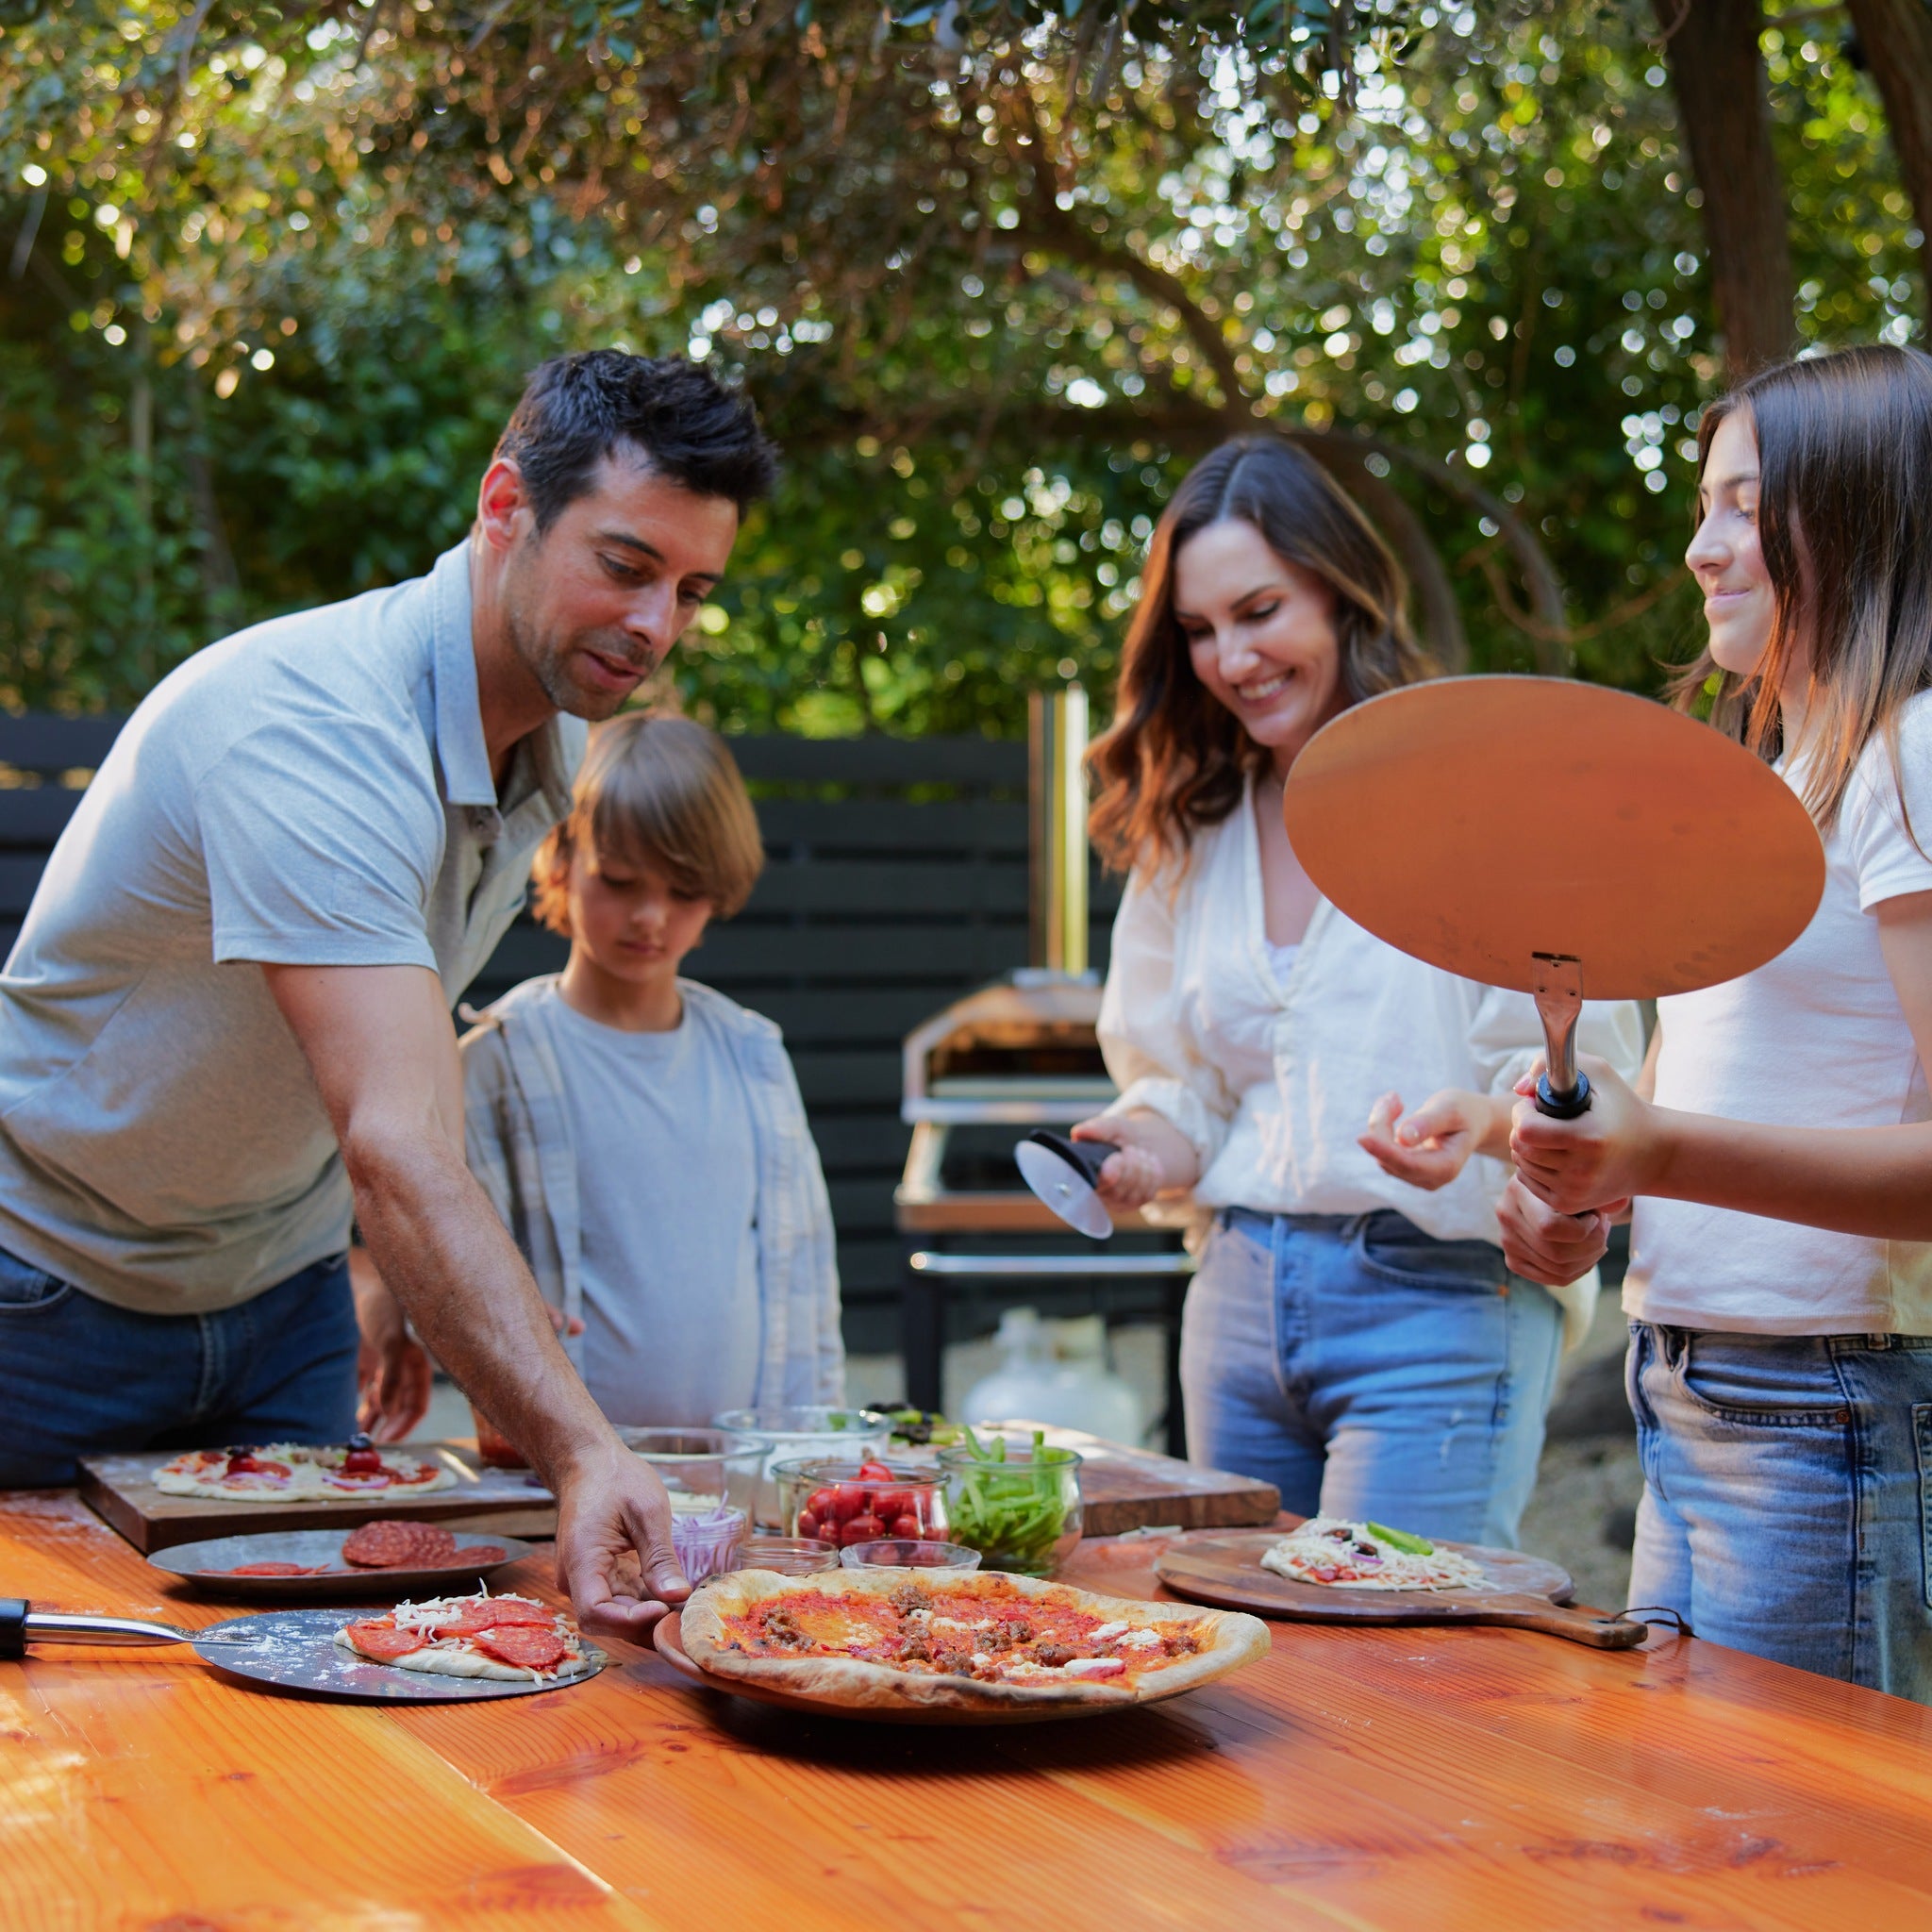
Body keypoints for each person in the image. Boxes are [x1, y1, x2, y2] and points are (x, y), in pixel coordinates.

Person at [0, 349, 776, 1639]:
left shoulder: (553, 730)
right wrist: (584, 1449)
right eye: (628, 568)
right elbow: (400, 1143)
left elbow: (389, 1040)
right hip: (49, 1289)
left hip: (282, 1301)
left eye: (693, 592)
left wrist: (398, 1274)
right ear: (503, 507)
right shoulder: (312, 730)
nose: (656, 629)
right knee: (56, 1740)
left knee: (320, 1707)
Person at [1071, 436, 1641, 1547]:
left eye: (1258, 609)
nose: (1230, 657)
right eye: (1197, 629)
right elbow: (1184, 1088)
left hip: (1436, 1299)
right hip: (1233, 1298)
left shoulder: (1479, 804)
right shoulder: (1191, 832)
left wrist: (1542, 1191)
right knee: (1237, 1679)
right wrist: (1139, 1144)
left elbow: (1570, 1076)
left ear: (1339, 591)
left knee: (1401, 1679)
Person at [1499, 344, 1932, 1700]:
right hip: (1696, 1380)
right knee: (1707, 1858)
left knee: (1798, 1874)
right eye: (1708, 505)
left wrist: (1661, 1154)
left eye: (1748, 506)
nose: (1701, 549)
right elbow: (1745, 1117)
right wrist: (1583, 1190)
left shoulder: (1911, 753)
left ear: (1866, 511)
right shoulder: (1795, 777)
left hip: (1827, 1404)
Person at [458, 710, 843, 1431]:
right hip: (561, 1492)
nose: (650, 918)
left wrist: (815, 1466)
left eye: (683, 891)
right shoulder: (500, 1061)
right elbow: (454, 1295)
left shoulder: (754, 1055)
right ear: (561, 859)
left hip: (746, 1490)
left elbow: (806, 1287)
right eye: (621, 880)